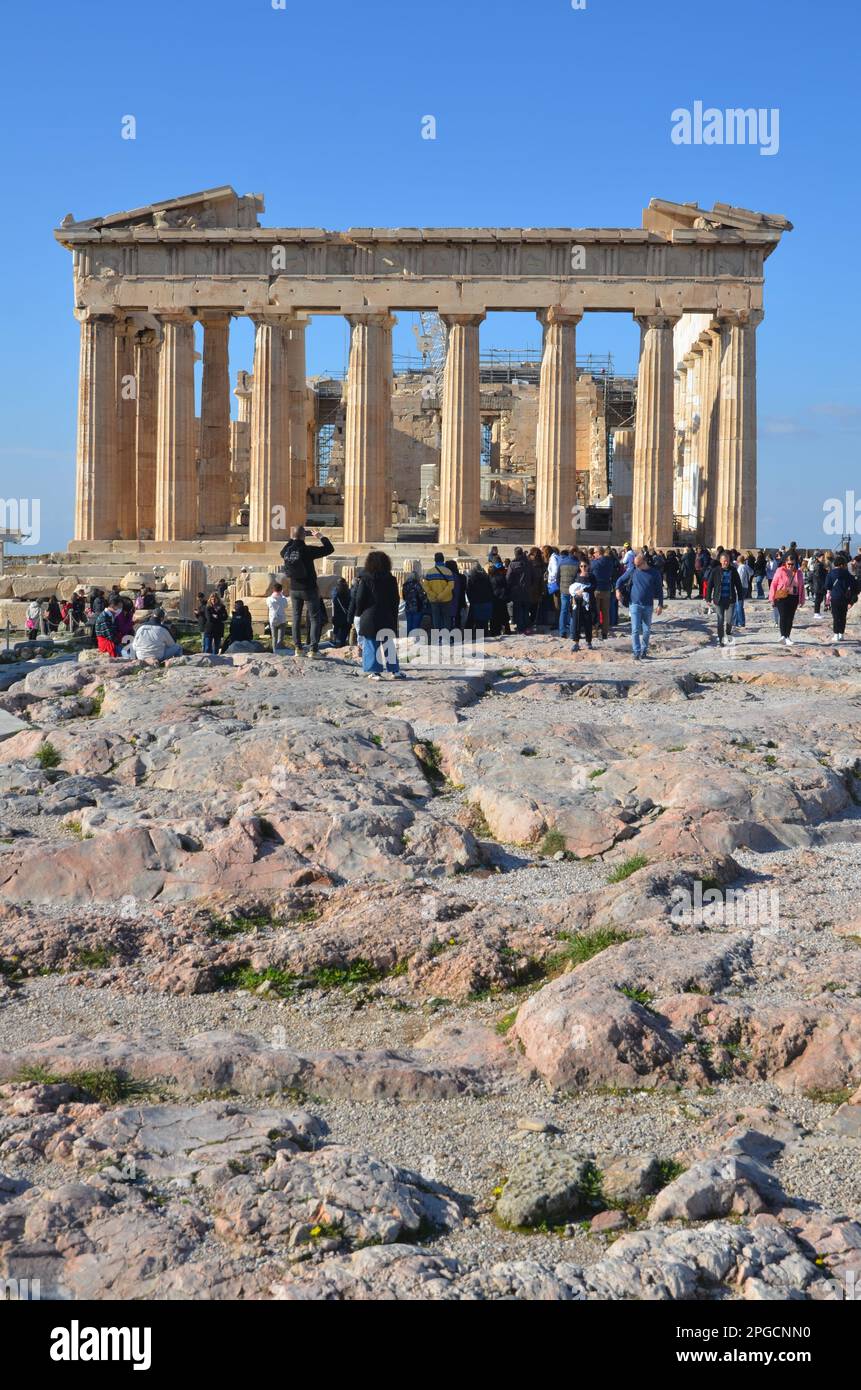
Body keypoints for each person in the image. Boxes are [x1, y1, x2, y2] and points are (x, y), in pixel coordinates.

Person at [279, 526, 334, 657]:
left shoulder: (287, 550)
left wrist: (293, 538)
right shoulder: (307, 550)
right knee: (315, 618)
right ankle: (313, 650)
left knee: (296, 617)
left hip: (294, 588)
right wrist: (320, 536)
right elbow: (329, 549)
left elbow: (282, 552)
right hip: (309, 588)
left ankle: (298, 648)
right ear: (304, 535)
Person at [351, 550, 403, 679]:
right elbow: (395, 600)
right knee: (388, 644)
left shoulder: (365, 579)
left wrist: (358, 614)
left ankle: (374, 671)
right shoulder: (391, 579)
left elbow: (360, 599)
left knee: (370, 644)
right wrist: (394, 616)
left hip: (369, 616)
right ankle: (394, 670)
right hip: (386, 615)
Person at [615, 551, 664, 660]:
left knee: (646, 630)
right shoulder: (633, 570)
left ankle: (644, 651)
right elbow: (620, 580)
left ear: (644, 562)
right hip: (635, 604)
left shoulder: (654, 573)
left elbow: (660, 590)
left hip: (648, 605)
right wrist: (617, 591)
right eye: (635, 564)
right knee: (635, 629)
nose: (636, 566)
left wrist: (660, 604)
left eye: (638, 565)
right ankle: (636, 652)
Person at [706, 551, 744, 646]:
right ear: (720, 561)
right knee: (720, 620)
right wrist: (708, 598)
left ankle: (728, 633)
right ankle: (721, 640)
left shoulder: (733, 571)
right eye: (724, 561)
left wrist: (740, 597)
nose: (725, 563)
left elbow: (738, 584)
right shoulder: (715, 571)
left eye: (727, 561)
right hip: (718, 600)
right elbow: (710, 585)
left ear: (729, 561)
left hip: (730, 599)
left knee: (729, 620)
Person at [768, 553, 805, 646]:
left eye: (792, 564)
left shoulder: (798, 573)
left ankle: (787, 636)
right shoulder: (780, 570)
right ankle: (783, 635)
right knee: (783, 616)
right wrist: (772, 598)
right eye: (788, 564)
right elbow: (774, 584)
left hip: (794, 597)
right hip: (782, 596)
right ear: (785, 563)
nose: (790, 566)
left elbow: (801, 587)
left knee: (790, 617)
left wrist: (802, 599)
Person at [824, 555, 859, 643]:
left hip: (835, 597)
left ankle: (836, 634)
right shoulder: (847, 574)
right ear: (842, 565)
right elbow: (855, 586)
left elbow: (827, 586)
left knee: (836, 616)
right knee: (843, 616)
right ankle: (841, 634)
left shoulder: (830, 574)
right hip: (845, 598)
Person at [423, 552, 455, 632]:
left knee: (436, 618)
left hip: (434, 600)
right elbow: (451, 586)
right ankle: (446, 636)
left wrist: (434, 595)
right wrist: (441, 595)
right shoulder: (448, 571)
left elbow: (425, 586)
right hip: (446, 599)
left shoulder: (429, 572)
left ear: (435, 560)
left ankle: (437, 637)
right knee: (446, 618)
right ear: (443, 560)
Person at [570, 559, 596, 651]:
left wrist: (584, 590)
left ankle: (589, 642)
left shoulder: (591, 576)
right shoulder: (576, 576)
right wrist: (575, 594)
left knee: (587, 622)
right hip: (577, 601)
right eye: (581, 566)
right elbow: (571, 587)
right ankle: (576, 643)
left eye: (585, 566)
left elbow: (593, 587)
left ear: (588, 566)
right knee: (576, 622)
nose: (583, 568)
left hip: (588, 602)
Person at [589, 546, 615, 641]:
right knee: (605, 613)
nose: (593, 554)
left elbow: (590, 572)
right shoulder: (610, 562)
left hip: (596, 589)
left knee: (595, 612)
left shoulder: (594, 563)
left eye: (594, 553)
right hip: (607, 589)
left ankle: (594, 632)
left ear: (598, 553)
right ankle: (605, 633)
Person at [506, 548, 532, 634]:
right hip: (527, 590)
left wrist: (510, 587)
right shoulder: (528, 563)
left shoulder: (512, 564)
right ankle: (527, 627)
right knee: (526, 609)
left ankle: (520, 627)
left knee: (518, 609)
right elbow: (533, 577)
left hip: (516, 590)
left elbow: (508, 578)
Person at [465, 561, 493, 635]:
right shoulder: (486, 576)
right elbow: (490, 588)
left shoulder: (471, 577)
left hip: (476, 602)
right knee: (485, 621)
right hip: (486, 601)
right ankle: (486, 635)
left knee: (478, 622)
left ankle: (479, 637)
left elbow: (468, 590)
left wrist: (471, 600)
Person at [556, 549, 579, 638]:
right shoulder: (577, 563)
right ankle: (573, 633)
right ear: (574, 552)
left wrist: (561, 586)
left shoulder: (562, 562)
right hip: (574, 591)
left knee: (563, 611)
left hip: (564, 590)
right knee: (573, 611)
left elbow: (558, 577)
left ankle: (562, 632)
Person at [488, 561, 510, 636]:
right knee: (504, 616)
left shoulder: (489, 579)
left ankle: (495, 631)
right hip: (502, 599)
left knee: (494, 617)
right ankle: (507, 630)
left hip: (494, 600)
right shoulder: (502, 577)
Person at [266, 583, 289, 650]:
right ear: (281, 590)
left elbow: (268, 605)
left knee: (274, 637)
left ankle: (274, 650)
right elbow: (286, 606)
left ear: (273, 590)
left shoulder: (269, 599)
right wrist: (282, 595)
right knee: (280, 638)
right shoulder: (283, 599)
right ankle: (280, 651)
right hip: (282, 619)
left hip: (273, 619)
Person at [331, 577, 353, 646]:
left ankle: (334, 642)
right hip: (346, 616)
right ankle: (343, 644)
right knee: (344, 633)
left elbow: (333, 596)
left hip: (337, 615)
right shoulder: (349, 592)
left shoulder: (335, 592)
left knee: (336, 629)